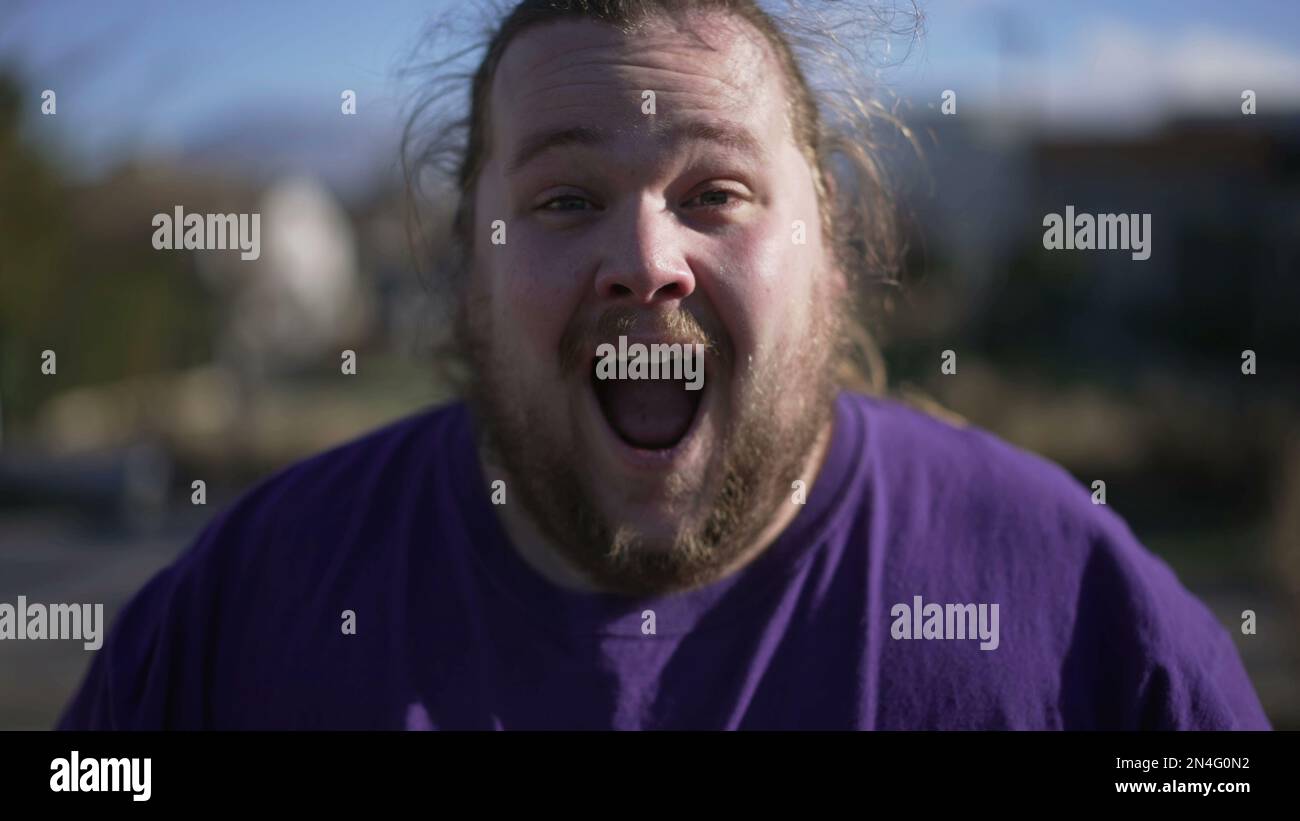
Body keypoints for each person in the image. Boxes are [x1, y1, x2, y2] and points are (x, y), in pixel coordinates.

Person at [59, 0, 1269, 730]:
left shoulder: (1086, 619)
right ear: (467, 271)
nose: (646, 259)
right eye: (566, 195)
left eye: (717, 193)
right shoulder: (244, 605)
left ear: (835, 255)